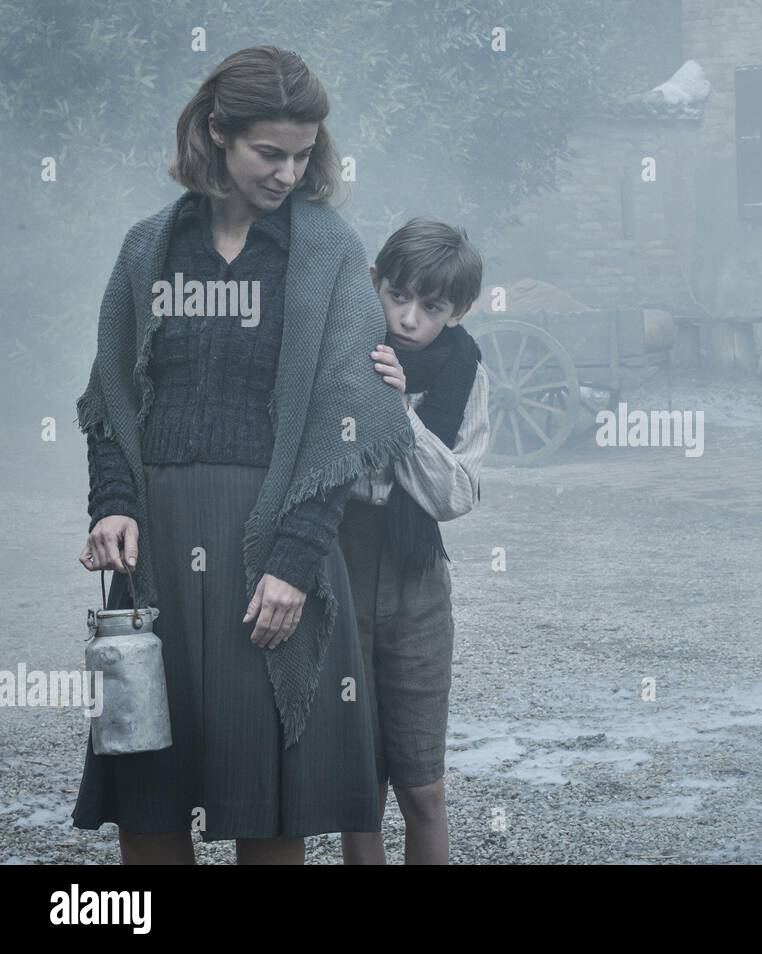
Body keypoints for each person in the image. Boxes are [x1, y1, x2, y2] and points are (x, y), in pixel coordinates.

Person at [72, 46, 414, 864]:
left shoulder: (326, 252)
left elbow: (349, 428)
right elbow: (113, 399)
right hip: (154, 549)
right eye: (270, 152)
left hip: (273, 551)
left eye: (304, 154)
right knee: (150, 799)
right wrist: (112, 503)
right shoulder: (150, 248)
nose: (289, 171)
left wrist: (295, 563)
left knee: (269, 813)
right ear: (218, 133)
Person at [338, 219, 489, 864]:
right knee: (356, 786)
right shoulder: (343, 350)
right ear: (375, 283)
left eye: (430, 307)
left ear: (457, 313)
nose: (408, 318)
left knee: (422, 786)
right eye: (398, 296)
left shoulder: (466, 371)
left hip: (416, 575)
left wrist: (398, 413)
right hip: (339, 563)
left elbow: (453, 495)